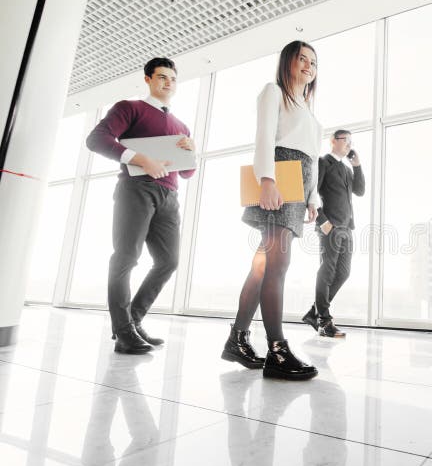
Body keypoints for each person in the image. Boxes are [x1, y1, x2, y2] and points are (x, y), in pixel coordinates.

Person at [220, 40, 321, 380]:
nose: (308, 65)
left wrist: (313, 198)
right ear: (287, 62)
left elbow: (313, 162)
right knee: (277, 263)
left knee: (264, 265)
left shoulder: (310, 113)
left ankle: (237, 340)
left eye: (313, 61)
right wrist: (266, 179)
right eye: (301, 58)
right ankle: (277, 350)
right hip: (278, 178)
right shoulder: (273, 92)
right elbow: (263, 137)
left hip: (298, 185)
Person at [86, 57, 195, 354]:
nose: (168, 83)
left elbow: (187, 172)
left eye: (172, 78)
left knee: (169, 261)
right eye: (161, 77)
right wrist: (140, 158)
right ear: (148, 79)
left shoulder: (182, 126)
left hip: (170, 196)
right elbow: (96, 139)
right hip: (136, 189)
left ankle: (132, 321)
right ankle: (123, 332)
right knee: (126, 257)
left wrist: (191, 151)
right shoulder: (129, 108)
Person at [301, 129, 365, 338]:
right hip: (330, 226)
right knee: (327, 271)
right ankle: (323, 321)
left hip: (347, 228)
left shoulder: (346, 170)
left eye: (351, 141)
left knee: (343, 272)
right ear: (333, 141)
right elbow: (310, 193)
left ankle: (314, 312)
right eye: (346, 140)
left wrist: (357, 166)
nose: (349, 144)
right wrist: (322, 221)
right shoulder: (323, 162)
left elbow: (360, 190)